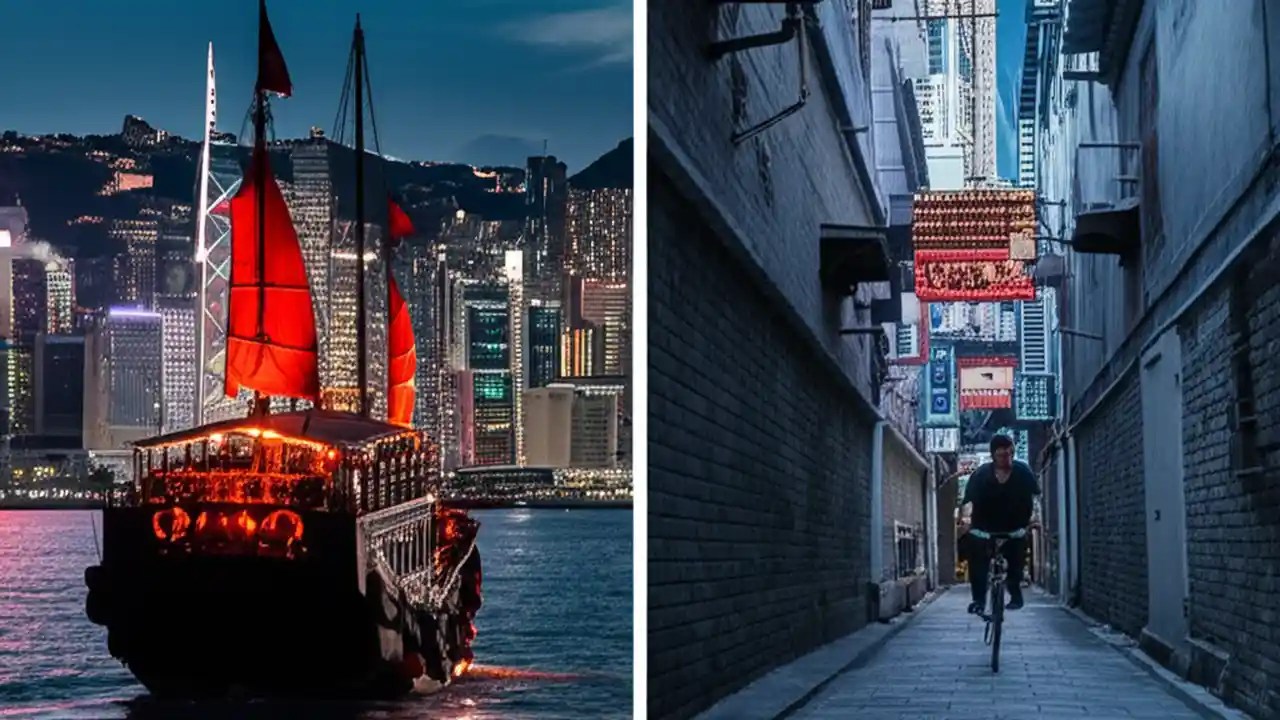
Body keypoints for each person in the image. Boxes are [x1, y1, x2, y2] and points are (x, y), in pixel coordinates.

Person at [961, 434, 1040, 613]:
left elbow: (1035, 499)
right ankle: (979, 600)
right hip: (984, 528)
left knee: (1017, 557)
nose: (1007, 458)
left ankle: (1015, 593)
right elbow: (968, 503)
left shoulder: (1023, 472)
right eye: (1002, 455)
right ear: (993, 456)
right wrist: (965, 520)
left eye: (1010, 454)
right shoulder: (981, 475)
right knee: (977, 558)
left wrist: (1035, 519)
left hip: (1014, 527)